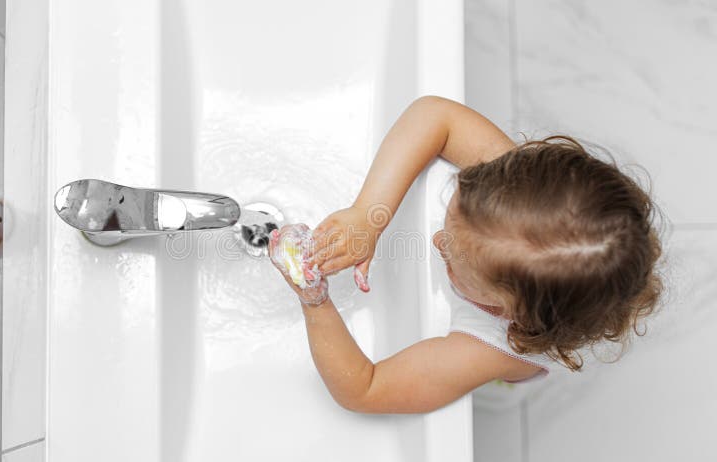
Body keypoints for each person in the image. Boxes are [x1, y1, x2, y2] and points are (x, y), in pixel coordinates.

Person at [268, 96, 662, 413]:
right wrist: (368, 216)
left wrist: (314, 300)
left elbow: (365, 389)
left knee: (497, 393)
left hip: (501, 368)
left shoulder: (496, 347)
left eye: (454, 263)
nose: (438, 240)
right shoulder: (516, 193)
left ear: (512, 311)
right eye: (451, 218)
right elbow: (435, 115)